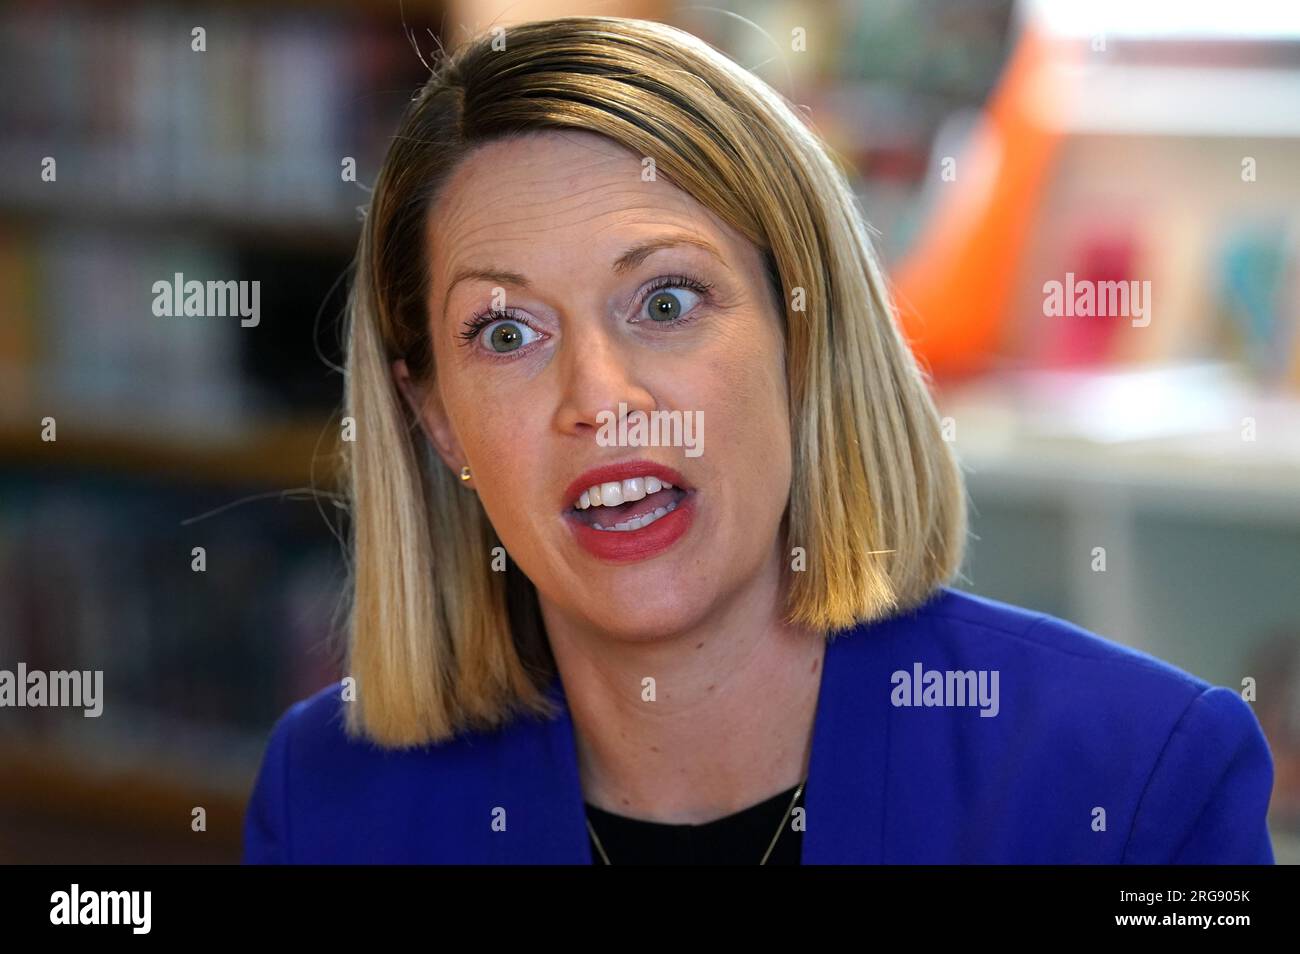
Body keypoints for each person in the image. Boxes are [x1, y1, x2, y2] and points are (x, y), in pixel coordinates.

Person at [242, 16, 1274, 864]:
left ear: (804, 337)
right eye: (505, 333)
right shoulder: (331, 799)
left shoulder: (1139, 777)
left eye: (666, 300)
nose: (600, 400)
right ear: (436, 421)